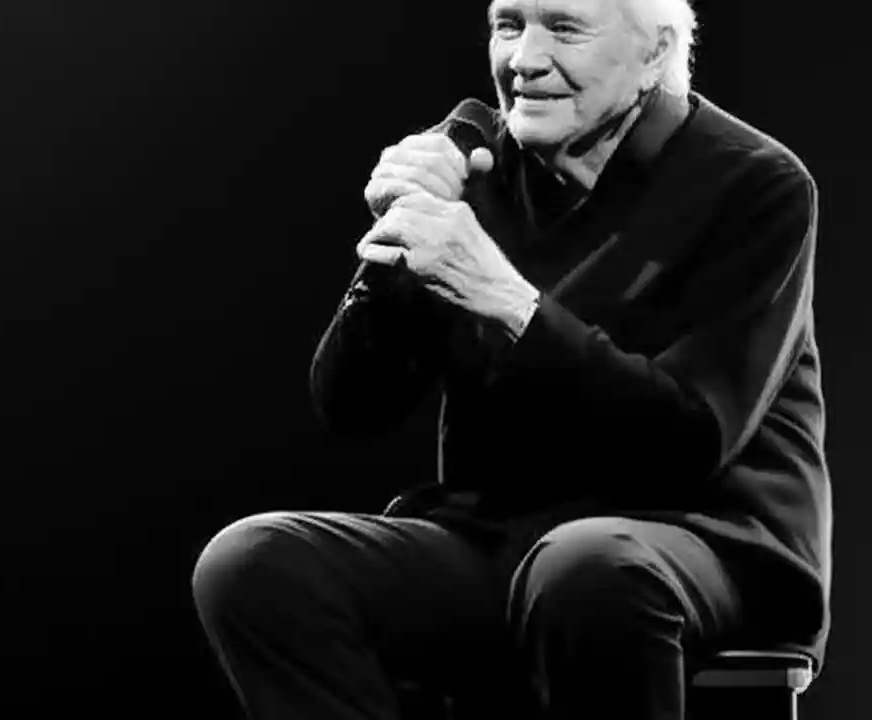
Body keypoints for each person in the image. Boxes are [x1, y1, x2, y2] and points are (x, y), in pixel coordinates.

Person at [191, 0, 833, 718]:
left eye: (562, 28)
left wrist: (500, 295)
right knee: (254, 563)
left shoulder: (756, 184)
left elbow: (688, 441)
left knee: (585, 569)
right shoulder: (472, 159)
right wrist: (392, 253)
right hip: (497, 537)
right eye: (507, 24)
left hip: (700, 538)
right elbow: (349, 406)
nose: (521, 59)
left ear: (655, 53)